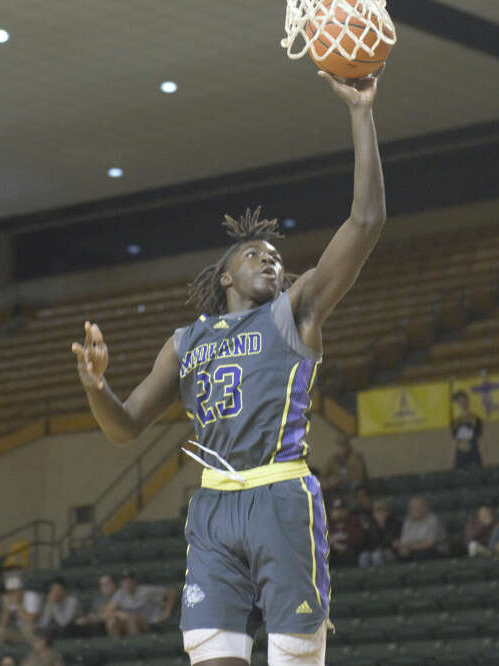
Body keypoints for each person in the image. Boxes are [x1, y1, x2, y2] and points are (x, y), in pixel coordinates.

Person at [70, 69, 386, 666]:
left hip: (280, 495)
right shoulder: (185, 342)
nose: (271, 261)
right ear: (225, 277)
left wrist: (360, 113)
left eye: (276, 257)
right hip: (213, 508)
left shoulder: (295, 311)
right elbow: (125, 426)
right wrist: (97, 387)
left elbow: (366, 222)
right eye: (256, 254)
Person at [105, 571, 175, 637]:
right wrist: (119, 614)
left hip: (149, 623)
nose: (127, 583)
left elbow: (171, 593)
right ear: (121, 583)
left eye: (129, 580)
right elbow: (109, 611)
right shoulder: (120, 593)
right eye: (124, 581)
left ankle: (136, 643)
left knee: (132, 620)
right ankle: (115, 643)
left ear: (134, 581)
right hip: (129, 622)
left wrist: (167, 613)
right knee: (112, 621)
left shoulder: (145, 590)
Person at [0, 575, 41, 644]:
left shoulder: (32, 596)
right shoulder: (11, 600)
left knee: (28, 628)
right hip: (22, 632)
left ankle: (37, 648)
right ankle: (5, 651)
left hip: (39, 631)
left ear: (21, 590)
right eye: (10, 591)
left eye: (14, 591)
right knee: (0, 632)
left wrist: (17, 605)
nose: (12, 594)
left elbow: (31, 620)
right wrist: (5, 607)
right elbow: (3, 624)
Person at [358, 497, 401, 568]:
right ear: (373, 513)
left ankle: (382, 574)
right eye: (377, 511)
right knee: (363, 556)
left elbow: (394, 542)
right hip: (373, 551)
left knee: (377, 556)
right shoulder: (370, 524)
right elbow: (368, 543)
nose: (380, 513)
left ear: (387, 512)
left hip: (390, 552)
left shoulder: (395, 523)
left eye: (383, 510)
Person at [326, 497, 367, 568]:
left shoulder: (354, 522)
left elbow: (359, 540)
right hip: (333, 555)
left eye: (342, 509)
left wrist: (340, 542)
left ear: (347, 511)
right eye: (336, 510)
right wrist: (334, 545)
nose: (339, 512)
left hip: (352, 555)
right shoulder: (326, 525)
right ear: (331, 512)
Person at [451, 391, 484, 470]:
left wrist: (484, 459)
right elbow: (455, 441)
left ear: (467, 401)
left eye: (463, 400)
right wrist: (452, 459)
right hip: (460, 457)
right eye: (459, 401)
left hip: (473, 454)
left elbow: (480, 440)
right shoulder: (456, 422)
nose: (462, 403)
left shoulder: (475, 419)